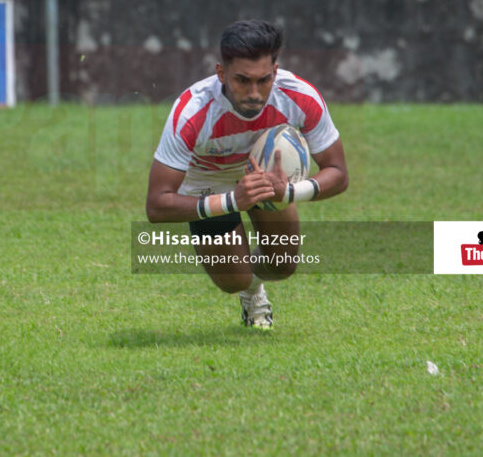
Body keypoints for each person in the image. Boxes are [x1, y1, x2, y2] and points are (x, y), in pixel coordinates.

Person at [145, 20, 348, 329]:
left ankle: (256, 278)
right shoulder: (192, 111)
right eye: (242, 80)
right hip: (209, 182)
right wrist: (232, 201)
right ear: (221, 73)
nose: (254, 93)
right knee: (234, 280)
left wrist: (289, 192)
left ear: (275, 72)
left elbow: (339, 173)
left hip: (267, 176)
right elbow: (157, 205)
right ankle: (250, 290)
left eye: (264, 80)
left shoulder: (300, 97)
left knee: (282, 266)